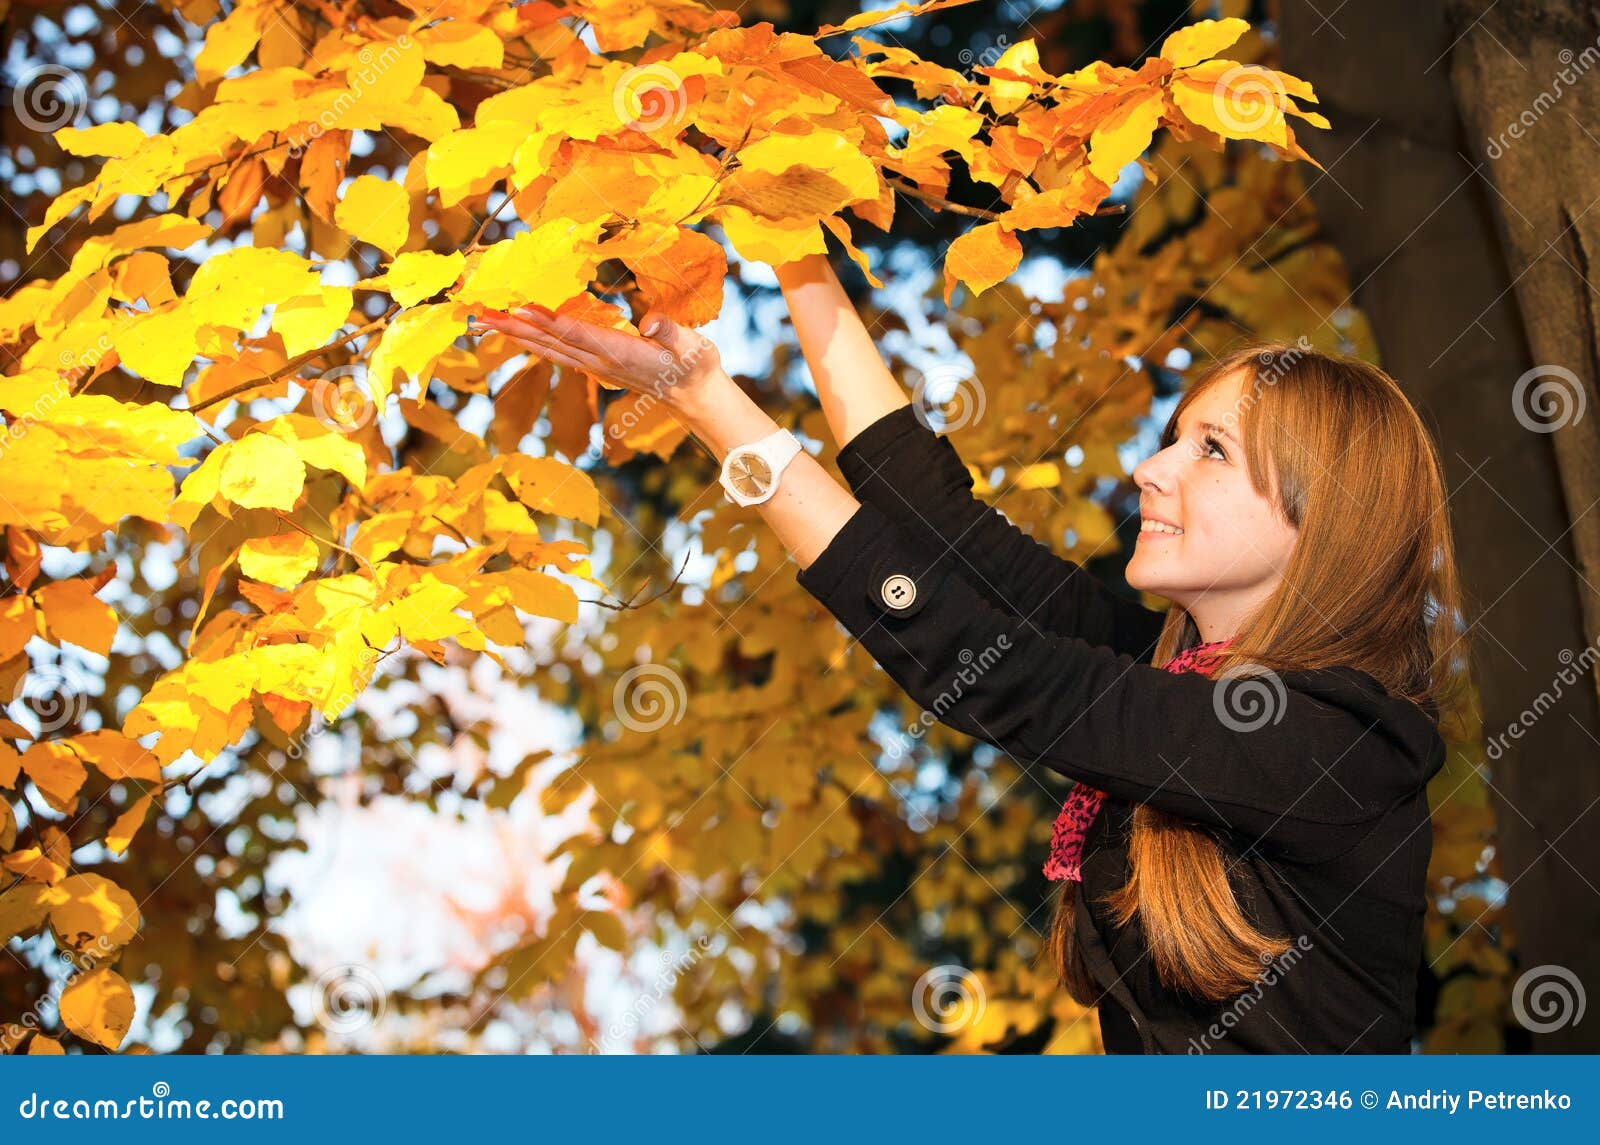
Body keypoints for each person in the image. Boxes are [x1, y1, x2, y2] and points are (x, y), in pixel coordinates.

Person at [476, 249, 1468, 1054]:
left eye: (1209, 450)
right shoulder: (1168, 666)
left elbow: (998, 670)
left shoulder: (1336, 740)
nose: (1150, 468)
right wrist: (790, 236)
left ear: (1325, 518)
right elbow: (938, 525)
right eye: (1172, 436)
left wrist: (708, 401)